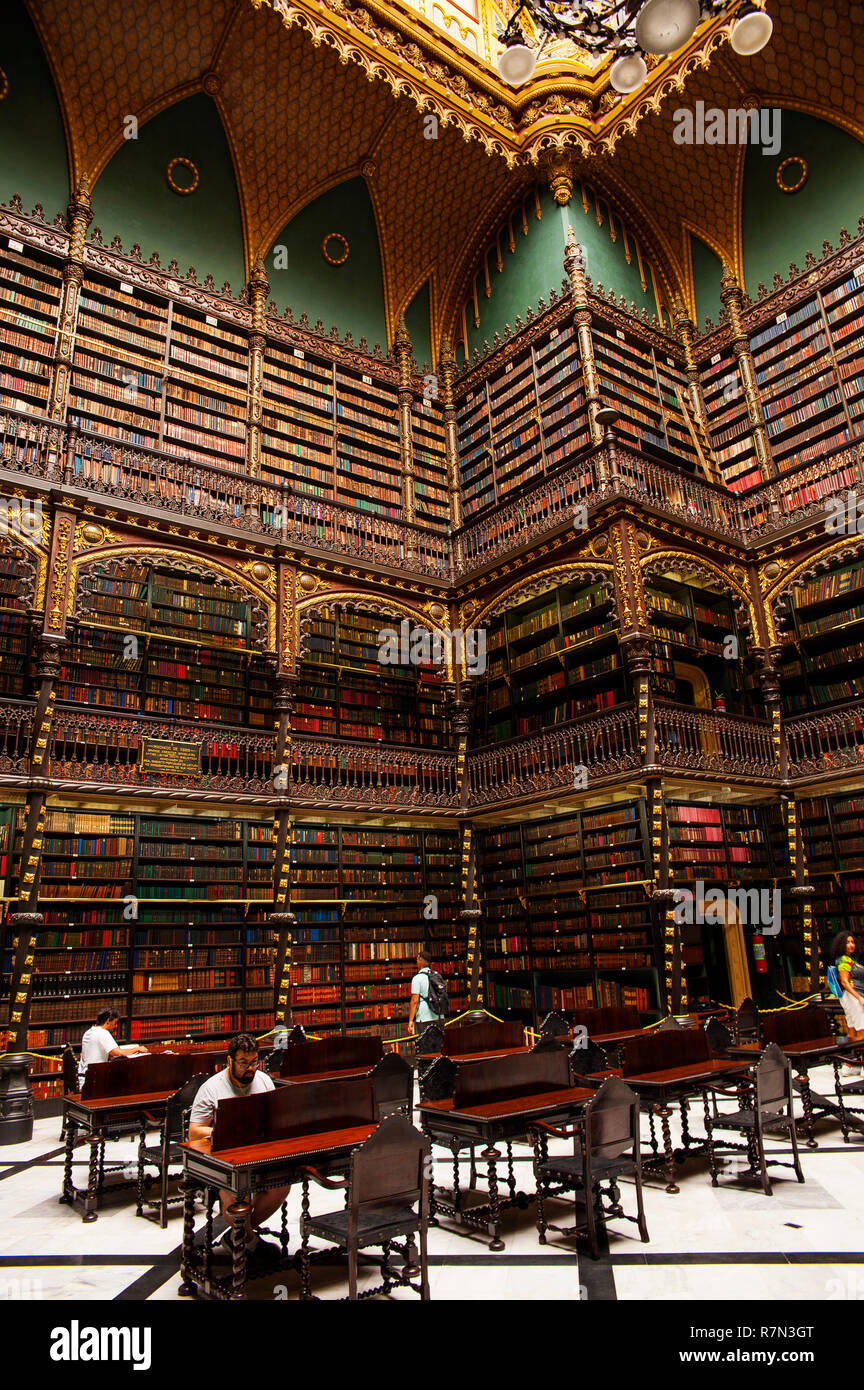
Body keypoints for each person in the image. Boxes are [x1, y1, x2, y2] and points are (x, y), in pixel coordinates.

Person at [188, 1034, 290, 1265]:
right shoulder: (211, 1088)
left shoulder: (264, 1081)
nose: (250, 1068)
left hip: (259, 1153)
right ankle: (249, 1241)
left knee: (282, 1186)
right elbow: (194, 1132)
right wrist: (225, 1131)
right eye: (243, 1063)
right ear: (229, 1061)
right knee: (235, 1196)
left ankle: (239, 1236)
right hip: (224, 1159)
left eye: (254, 1062)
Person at [78, 1008, 148, 1085]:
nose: (116, 1026)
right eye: (115, 1023)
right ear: (108, 1021)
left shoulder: (88, 1032)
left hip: (83, 1077)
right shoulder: (103, 1033)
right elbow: (117, 1053)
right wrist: (137, 1049)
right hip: (94, 1079)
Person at [831, 931, 864, 1073]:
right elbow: (844, 982)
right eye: (847, 942)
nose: (851, 945)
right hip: (854, 997)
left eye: (852, 942)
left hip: (850, 997)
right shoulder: (844, 960)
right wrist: (858, 997)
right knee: (862, 1031)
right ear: (841, 945)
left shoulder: (848, 960)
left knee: (852, 1031)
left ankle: (849, 1065)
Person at [408, 948, 442, 1036]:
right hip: (439, 1016)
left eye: (417, 959)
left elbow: (414, 1001)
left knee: (424, 1043)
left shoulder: (417, 978)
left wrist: (411, 1020)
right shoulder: (437, 975)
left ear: (420, 960)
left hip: (424, 1017)